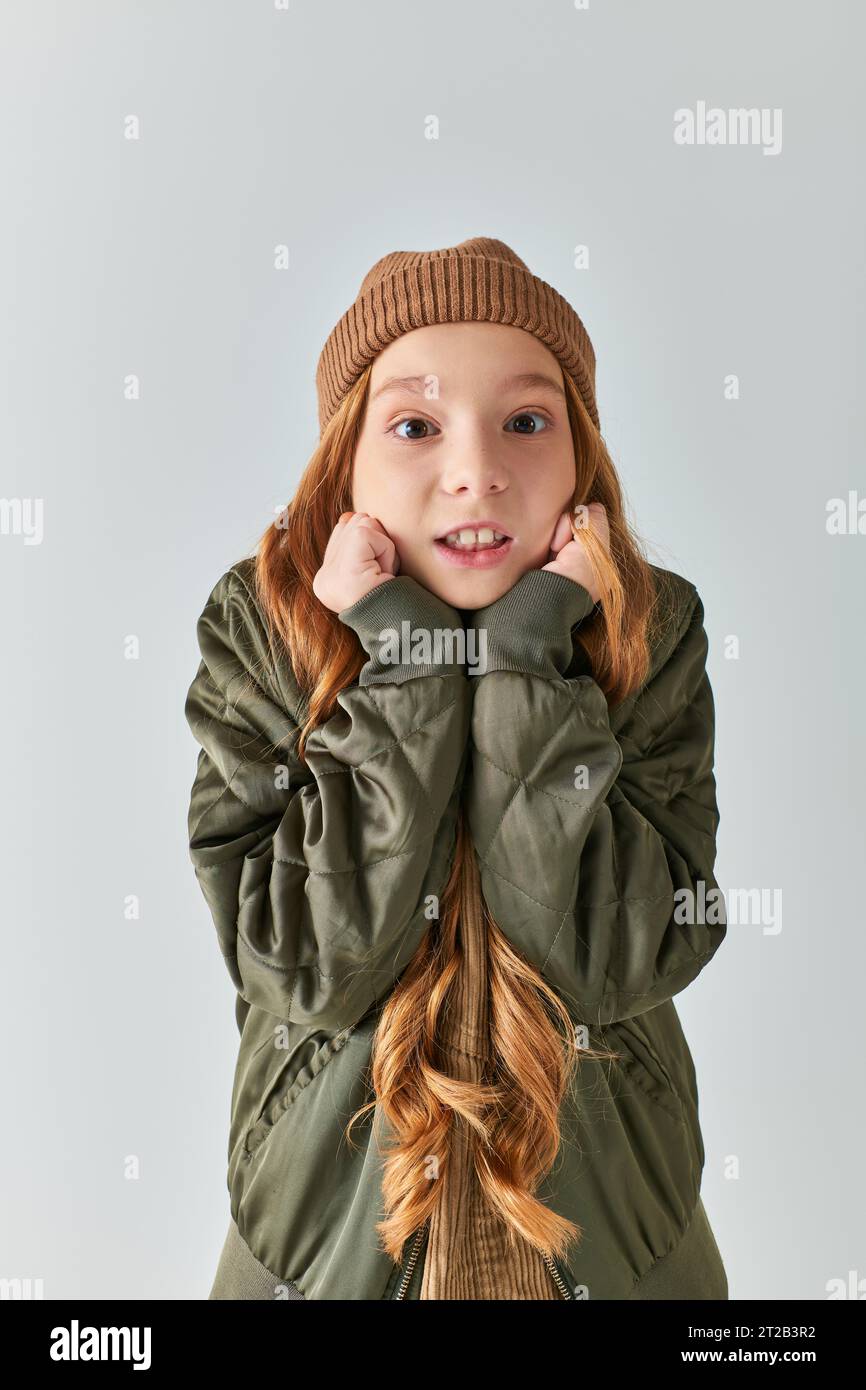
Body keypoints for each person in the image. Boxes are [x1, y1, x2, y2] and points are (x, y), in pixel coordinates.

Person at [184, 236, 729, 1300]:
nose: (476, 468)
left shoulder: (646, 633)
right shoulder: (265, 634)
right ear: (347, 460)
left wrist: (528, 655)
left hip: (617, 1256)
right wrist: (404, 663)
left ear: (579, 459)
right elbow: (306, 960)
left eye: (525, 421)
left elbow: (619, 953)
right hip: (320, 1258)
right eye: (416, 425)